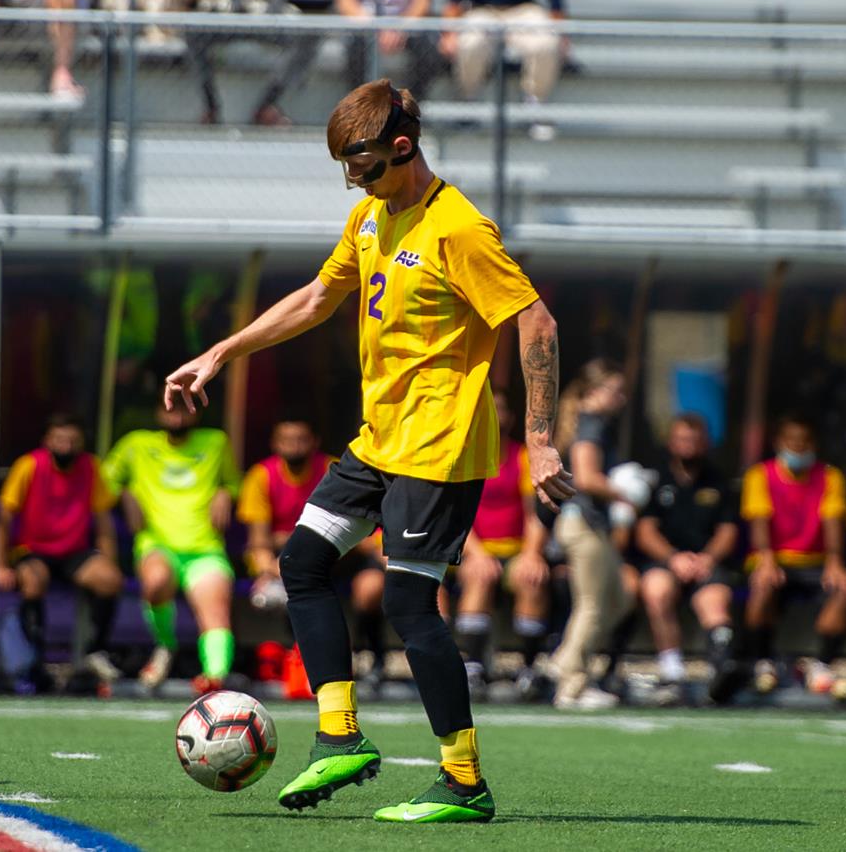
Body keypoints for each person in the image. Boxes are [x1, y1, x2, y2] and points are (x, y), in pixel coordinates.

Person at [164, 78, 569, 823]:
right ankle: (338, 735)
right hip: (379, 442)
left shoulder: (459, 228)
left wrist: (540, 443)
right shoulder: (369, 218)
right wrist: (222, 352)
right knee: (302, 564)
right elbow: (319, 298)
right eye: (347, 168)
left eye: (364, 165)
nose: (353, 179)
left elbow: (535, 324)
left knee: (411, 603)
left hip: (439, 449)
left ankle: (462, 780)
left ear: (403, 148)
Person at [240, 418, 390, 688]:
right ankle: (301, 661)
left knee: (371, 587)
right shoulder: (262, 476)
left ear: (314, 442)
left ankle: (370, 658)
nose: (293, 446)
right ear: (275, 443)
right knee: (279, 590)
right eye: (286, 440)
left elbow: (364, 530)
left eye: (300, 439)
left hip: (345, 557)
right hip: (288, 563)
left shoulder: (336, 470)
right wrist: (275, 566)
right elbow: (259, 544)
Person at [103, 401, 237, 694]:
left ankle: (215, 678)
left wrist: (226, 492)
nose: (177, 414)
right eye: (170, 407)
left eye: (185, 408)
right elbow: (100, 485)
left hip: (205, 548)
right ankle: (166, 647)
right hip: (157, 544)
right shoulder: (136, 444)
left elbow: (233, 483)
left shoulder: (216, 442)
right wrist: (125, 493)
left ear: (197, 411)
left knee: (215, 611)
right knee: (156, 582)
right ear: (158, 411)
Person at [0, 412, 124, 693]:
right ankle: (33, 663)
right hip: (34, 549)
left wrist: (107, 559)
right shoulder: (29, 466)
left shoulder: (91, 468)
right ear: (47, 441)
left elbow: (103, 521)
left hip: (73, 551)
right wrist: (1, 564)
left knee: (110, 580)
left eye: (72, 441)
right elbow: (3, 517)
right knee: (33, 581)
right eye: (59, 440)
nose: (65, 447)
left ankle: (94, 652)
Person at [739, 411, 846, 700]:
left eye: (804, 442)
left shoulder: (830, 477)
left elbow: (832, 522)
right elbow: (760, 521)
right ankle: (763, 662)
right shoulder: (760, 475)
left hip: (814, 561)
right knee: (762, 586)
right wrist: (766, 560)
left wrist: (835, 563)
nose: (798, 447)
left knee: (843, 589)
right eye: (792, 441)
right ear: (780, 442)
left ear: (814, 445)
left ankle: (822, 665)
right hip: (773, 558)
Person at [634, 412, 738, 706]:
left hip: (707, 563)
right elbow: (645, 532)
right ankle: (672, 672)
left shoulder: (719, 482)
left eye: (694, 439)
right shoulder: (656, 480)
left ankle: (720, 673)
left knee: (715, 600)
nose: (688, 445)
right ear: (671, 442)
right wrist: (673, 558)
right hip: (667, 562)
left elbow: (727, 532)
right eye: (682, 439)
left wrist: (707, 559)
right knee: (656, 589)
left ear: (705, 443)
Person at [452, 390, 548, 700]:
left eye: (501, 410)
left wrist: (533, 555)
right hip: (475, 551)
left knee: (531, 580)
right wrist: (478, 554)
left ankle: (528, 670)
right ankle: (473, 669)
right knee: (479, 577)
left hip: (516, 551)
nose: (494, 416)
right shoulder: (462, 458)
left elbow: (535, 514)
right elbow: (457, 516)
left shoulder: (522, 457)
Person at [548, 359, 630, 709]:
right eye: (616, 390)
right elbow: (586, 477)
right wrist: (626, 490)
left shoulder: (588, 421)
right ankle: (572, 685)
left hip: (588, 525)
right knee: (593, 606)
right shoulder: (591, 423)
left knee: (618, 600)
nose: (622, 398)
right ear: (595, 391)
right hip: (584, 524)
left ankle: (565, 660)